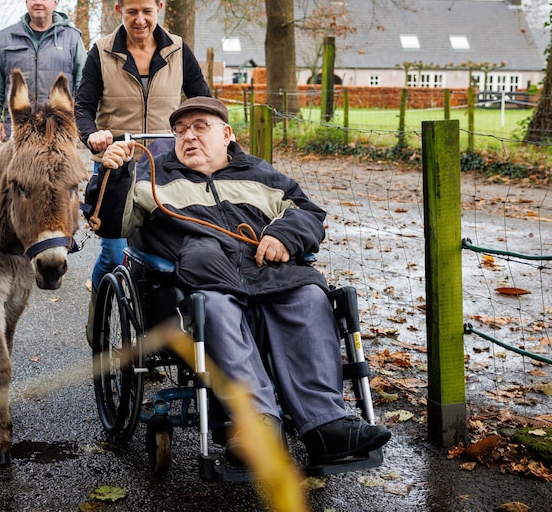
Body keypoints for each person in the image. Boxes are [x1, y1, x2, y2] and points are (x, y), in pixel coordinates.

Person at [88, 96, 392, 466]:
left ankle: (325, 424)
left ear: (227, 134)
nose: (188, 136)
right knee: (214, 308)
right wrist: (115, 175)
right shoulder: (153, 175)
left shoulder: (261, 174)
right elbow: (110, 222)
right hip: (203, 280)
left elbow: (307, 212)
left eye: (200, 127)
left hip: (270, 272)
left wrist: (283, 235)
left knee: (311, 296)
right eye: (180, 130)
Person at [75, 0, 210, 338]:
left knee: (168, 252)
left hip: (169, 168)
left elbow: (204, 102)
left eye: (147, 11)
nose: (140, 19)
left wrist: (212, 139)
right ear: (119, 10)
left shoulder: (179, 51)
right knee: (116, 253)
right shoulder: (101, 52)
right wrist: (94, 136)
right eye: (131, 11)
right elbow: (83, 108)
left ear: (159, 8)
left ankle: (161, 327)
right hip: (119, 166)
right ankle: (100, 314)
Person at [0, 0, 86, 141]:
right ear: (27, 3)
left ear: (54, 3)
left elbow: (84, 84)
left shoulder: (72, 38)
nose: (38, 2)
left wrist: (82, 120)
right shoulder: (7, 38)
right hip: (19, 129)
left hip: (59, 129)